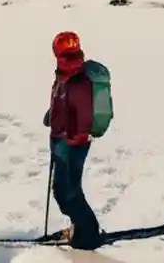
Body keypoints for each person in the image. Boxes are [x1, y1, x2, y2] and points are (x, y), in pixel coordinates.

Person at [44, 31, 104, 250]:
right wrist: (53, 114)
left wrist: (68, 138)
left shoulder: (78, 80)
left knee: (67, 193)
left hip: (72, 145)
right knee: (65, 191)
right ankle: (82, 229)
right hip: (64, 143)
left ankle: (88, 234)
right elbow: (64, 102)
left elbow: (83, 115)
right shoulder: (66, 72)